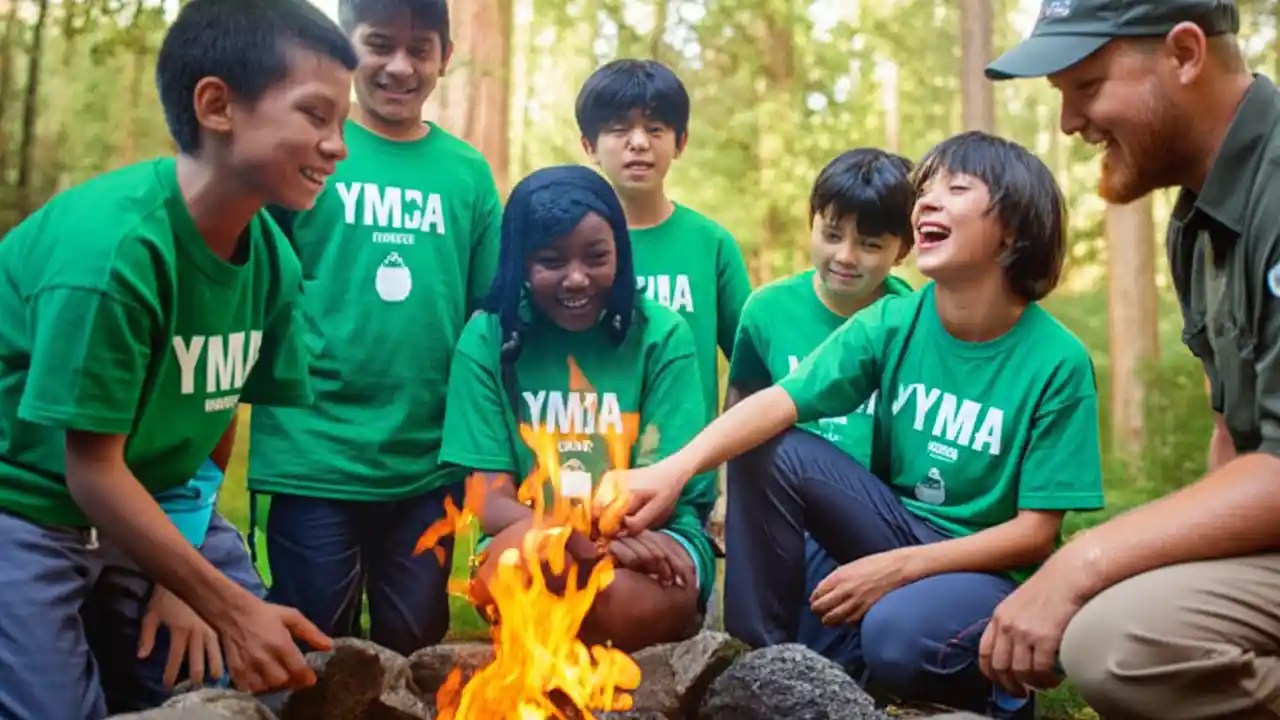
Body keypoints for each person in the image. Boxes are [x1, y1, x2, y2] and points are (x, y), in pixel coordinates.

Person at [602, 132, 1106, 717]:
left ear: (1013, 231)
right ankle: (765, 670)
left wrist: (896, 569)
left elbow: (1034, 534)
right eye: (926, 191)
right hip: (898, 525)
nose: (927, 203)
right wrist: (672, 469)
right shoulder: (896, 320)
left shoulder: (1056, 361)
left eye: (956, 189)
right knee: (770, 446)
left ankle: (994, 684)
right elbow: (779, 402)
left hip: (991, 567)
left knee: (893, 636)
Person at [0, 0, 355, 716]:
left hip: (155, 495)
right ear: (218, 105)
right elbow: (89, 469)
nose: (338, 145)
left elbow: (213, 416)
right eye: (317, 116)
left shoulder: (270, 263)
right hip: (24, 503)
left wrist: (185, 574)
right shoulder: (115, 253)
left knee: (261, 683)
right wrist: (224, 604)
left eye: (342, 124)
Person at [981, 1, 1280, 718]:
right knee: (1115, 607)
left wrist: (1084, 561)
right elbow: (1233, 436)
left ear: (1183, 54)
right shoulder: (1198, 218)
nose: (1067, 124)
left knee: (1117, 643)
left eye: (1086, 87)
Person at [245, 0, 503, 657]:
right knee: (313, 648)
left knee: (414, 650)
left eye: (419, 50)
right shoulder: (308, 153)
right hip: (313, 451)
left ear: (445, 56)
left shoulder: (468, 174)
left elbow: (487, 317)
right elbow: (252, 285)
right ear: (345, 48)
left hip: (426, 461)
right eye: (379, 44)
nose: (399, 65)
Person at [439, 165, 716, 652]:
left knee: (616, 602)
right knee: (517, 578)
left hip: (653, 538)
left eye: (596, 258)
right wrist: (571, 536)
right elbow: (489, 502)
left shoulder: (661, 334)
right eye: (550, 260)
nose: (576, 279)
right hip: (530, 536)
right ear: (520, 263)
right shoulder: (486, 339)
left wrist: (603, 543)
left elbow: (665, 488)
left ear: (621, 255)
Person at [725, 147, 914, 664]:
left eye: (870, 243)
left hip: (867, 520)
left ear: (902, 249)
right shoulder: (767, 310)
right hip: (780, 511)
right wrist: (724, 495)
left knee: (834, 655)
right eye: (831, 234)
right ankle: (749, 662)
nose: (846, 256)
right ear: (812, 225)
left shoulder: (912, 323)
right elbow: (741, 401)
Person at [575, 59, 753, 543]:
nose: (638, 142)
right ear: (589, 145)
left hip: (681, 490)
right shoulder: (567, 249)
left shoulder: (709, 243)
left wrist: (732, 483)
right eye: (618, 130)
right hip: (577, 479)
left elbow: (752, 365)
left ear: (681, 141)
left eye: (655, 128)